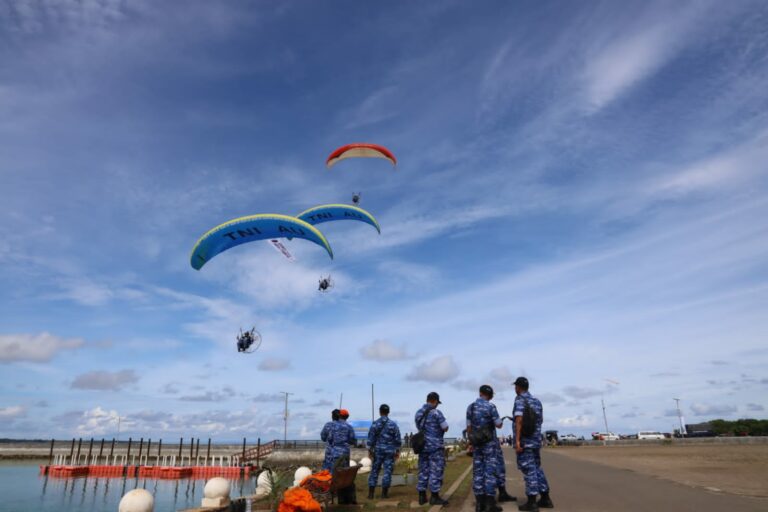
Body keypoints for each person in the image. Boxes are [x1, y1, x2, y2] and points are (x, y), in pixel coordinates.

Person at [513, 377, 553, 511]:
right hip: (535, 441)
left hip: (525, 442)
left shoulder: (519, 400)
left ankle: (532, 502)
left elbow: (519, 420)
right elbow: (540, 421)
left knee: (529, 470)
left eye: (516, 386)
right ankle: (545, 498)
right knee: (536, 469)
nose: (515, 389)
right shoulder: (537, 401)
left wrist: (518, 441)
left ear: (518, 387)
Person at [466, 385, 505, 512]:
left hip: (477, 444)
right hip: (489, 444)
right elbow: (498, 425)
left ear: (480, 393)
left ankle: (479, 504)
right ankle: (489, 504)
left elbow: (469, 427)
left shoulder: (470, 407)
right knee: (490, 472)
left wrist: (471, 442)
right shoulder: (490, 407)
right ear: (490, 395)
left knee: (478, 472)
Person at [415, 391, 450, 506]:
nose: (437, 405)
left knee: (423, 471)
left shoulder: (418, 413)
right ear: (435, 401)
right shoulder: (436, 412)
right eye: (437, 403)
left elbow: (419, 427)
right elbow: (445, 427)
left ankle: (421, 496)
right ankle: (434, 497)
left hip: (422, 446)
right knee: (435, 471)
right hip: (435, 447)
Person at [367, 404, 402, 499]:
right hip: (390, 452)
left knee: (374, 471)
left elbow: (370, 439)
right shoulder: (393, 424)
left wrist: (370, 450)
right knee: (387, 471)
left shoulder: (375, 424)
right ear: (388, 412)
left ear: (380, 411)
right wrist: (397, 451)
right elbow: (398, 440)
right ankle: (384, 494)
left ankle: (371, 494)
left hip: (378, 451)